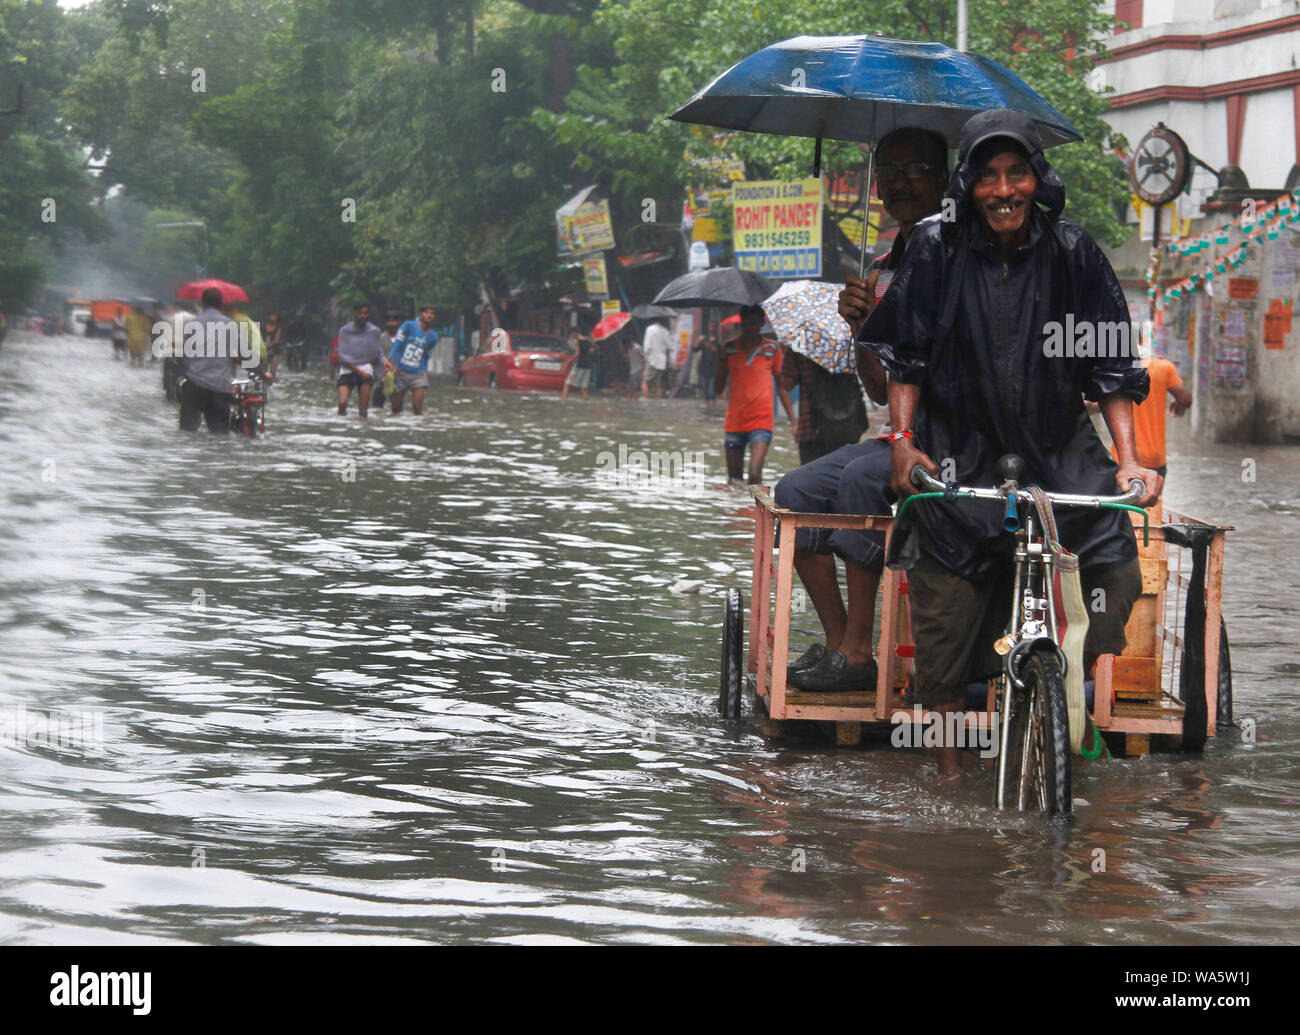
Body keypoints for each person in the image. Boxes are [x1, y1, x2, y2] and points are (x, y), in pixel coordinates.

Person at [860, 109, 1159, 782]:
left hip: (1057, 452)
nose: (1003, 190)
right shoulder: (936, 249)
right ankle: (950, 772)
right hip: (958, 453)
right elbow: (904, 358)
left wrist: (1132, 458)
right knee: (942, 626)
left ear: (1036, 179)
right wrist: (903, 444)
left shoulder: (1074, 253)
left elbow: (1112, 369)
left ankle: (1051, 689)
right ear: (968, 183)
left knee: (1117, 570)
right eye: (988, 175)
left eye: (1016, 173)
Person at [775, 126, 949, 692]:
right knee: (795, 492)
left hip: (956, 437)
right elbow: (879, 389)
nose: (899, 183)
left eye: (913, 170)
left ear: (943, 178)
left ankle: (858, 651)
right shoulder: (881, 265)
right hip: (894, 430)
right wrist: (861, 326)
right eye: (888, 173)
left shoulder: (960, 254)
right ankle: (837, 641)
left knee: (856, 481)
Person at [713, 304, 796, 484]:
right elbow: (717, 389)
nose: (749, 327)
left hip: (762, 421)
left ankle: (755, 511)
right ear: (741, 324)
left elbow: (781, 387)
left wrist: (793, 420)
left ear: (761, 324)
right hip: (735, 421)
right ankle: (735, 510)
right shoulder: (729, 349)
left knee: (755, 473)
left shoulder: (773, 349)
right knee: (734, 479)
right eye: (746, 323)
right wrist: (720, 362)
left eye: (753, 323)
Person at [1105, 353, 1191, 491]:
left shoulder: (1116, 368)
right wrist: (1178, 403)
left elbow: (1104, 399)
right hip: (1155, 459)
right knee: (1151, 509)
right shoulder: (1163, 367)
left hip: (1122, 458)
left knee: (1123, 508)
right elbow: (1185, 398)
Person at [178, 287, 240, 433]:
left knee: (188, 433)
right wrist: (262, 373)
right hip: (219, 388)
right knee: (220, 437)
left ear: (202, 303)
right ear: (221, 304)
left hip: (195, 386)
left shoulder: (193, 324)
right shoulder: (230, 324)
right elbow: (245, 354)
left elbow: (186, 356)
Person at [336, 301, 393, 418]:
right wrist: (359, 371)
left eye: (365, 313)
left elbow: (377, 352)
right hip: (348, 368)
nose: (362, 316)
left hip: (366, 369)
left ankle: (363, 431)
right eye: (360, 313)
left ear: (369, 314)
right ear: (355, 313)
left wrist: (385, 361)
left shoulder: (374, 331)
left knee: (363, 411)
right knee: (342, 403)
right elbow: (341, 356)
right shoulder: (344, 331)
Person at [390, 304, 439, 415]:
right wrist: (392, 362)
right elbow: (398, 344)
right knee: (396, 409)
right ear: (421, 314)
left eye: (431, 313)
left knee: (418, 407)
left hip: (418, 374)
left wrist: (425, 372)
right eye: (426, 312)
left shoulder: (433, 337)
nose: (429, 315)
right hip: (400, 370)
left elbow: (426, 355)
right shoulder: (408, 326)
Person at [641, 318, 674, 398]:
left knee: (645, 381)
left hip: (652, 359)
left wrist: (645, 357)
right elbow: (670, 346)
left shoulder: (649, 329)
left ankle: (645, 401)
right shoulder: (665, 331)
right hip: (662, 361)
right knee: (658, 384)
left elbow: (646, 347)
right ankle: (658, 402)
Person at [562, 333, 595, 401]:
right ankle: (586, 403)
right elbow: (593, 350)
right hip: (587, 366)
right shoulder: (589, 341)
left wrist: (569, 360)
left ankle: (563, 401)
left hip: (579, 366)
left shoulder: (577, 341)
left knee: (567, 384)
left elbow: (577, 353)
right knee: (584, 388)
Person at [694, 329, 720, 411]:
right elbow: (695, 349)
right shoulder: (703, 341)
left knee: (712, 390)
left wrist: (711, 345)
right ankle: (709, 406)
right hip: (704, 368)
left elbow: (719, 351)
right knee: (705, 389)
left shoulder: (718, 340)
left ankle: (713, 406)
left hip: (714, 369)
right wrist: (698, 340)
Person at [125, 303, 152, 368]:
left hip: (132, 337)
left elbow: (127, 327)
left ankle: (132, 362)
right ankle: (140, 363)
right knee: (141, 352)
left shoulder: (130, 317)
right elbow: (148, 329)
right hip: (142, 338)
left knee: (132, 351)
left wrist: (127, 334)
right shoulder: (145, 319)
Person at [262, 312, 284, 379]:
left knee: (273, 370)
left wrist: (269, 344)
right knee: (263, 370)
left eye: (274, 316)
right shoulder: (263, 326)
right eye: (272, 316)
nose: (273, 318)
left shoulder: (278, 328)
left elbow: (276, 340)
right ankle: (264, 385)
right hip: (264, 349)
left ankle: (271, 383)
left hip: (274, 350)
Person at [625, 334, 644, 398]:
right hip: (632, 371)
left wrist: (642, 371)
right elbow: (628, 360)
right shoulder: (629, 349)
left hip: (638, 370)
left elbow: (644, 358)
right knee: (629, 389)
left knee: (636, 389)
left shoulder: (637, 347)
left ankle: (635, 401)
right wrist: (623, 351)